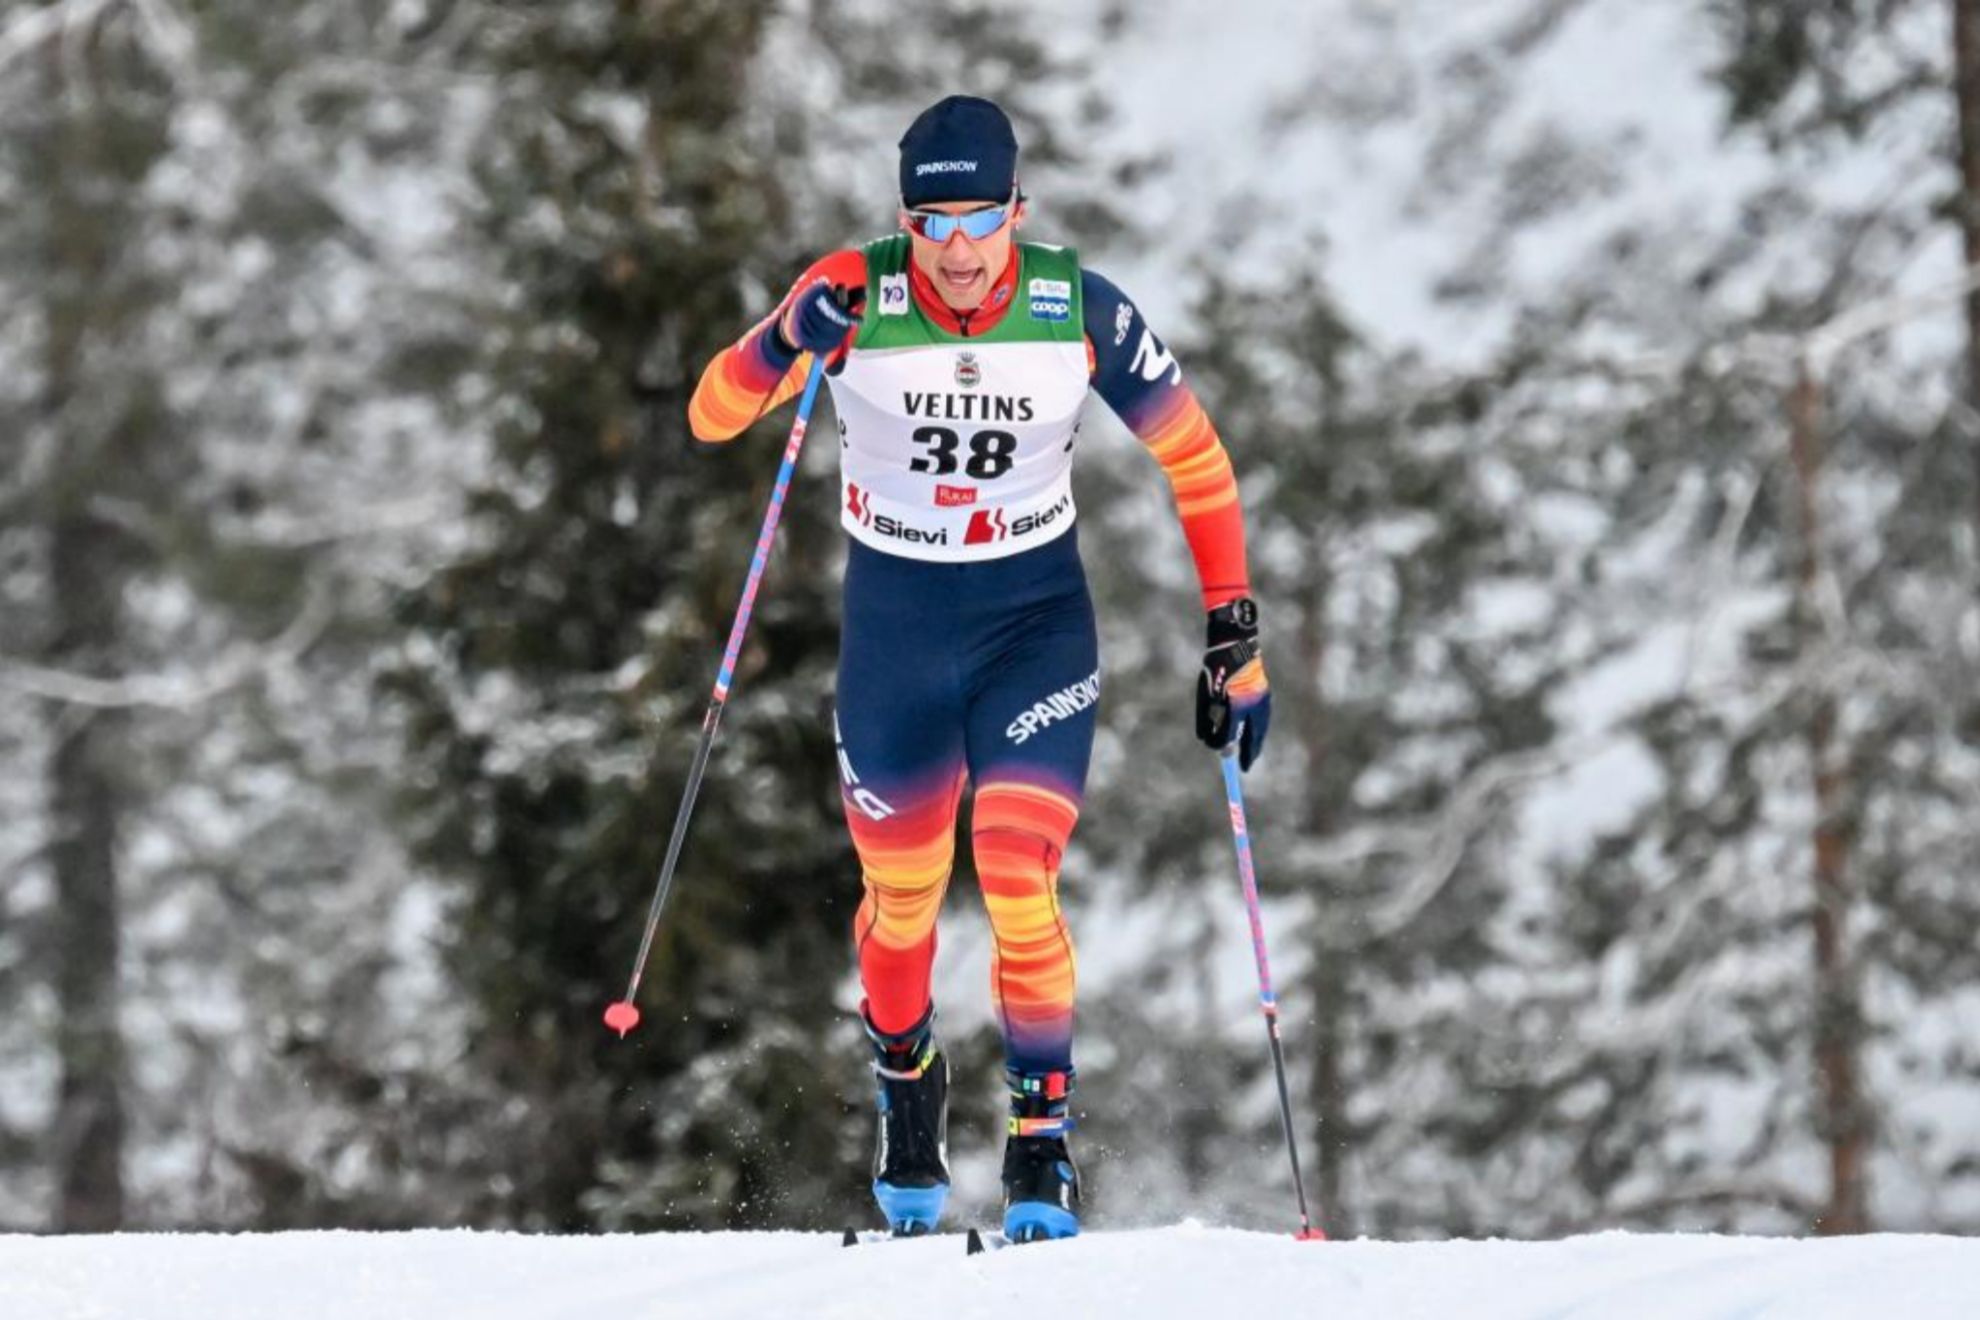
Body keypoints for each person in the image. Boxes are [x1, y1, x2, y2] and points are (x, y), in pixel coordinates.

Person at [688, 94, 1270, 1242]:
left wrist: (1233, 638)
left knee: (1015, 874)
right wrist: (781, 341)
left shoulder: (1076, 307)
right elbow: (714, 415)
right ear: (905, 218)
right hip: (898, 628)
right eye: (931, 222)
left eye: (979, 220)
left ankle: (1041, 1142)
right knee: (901, 902)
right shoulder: (854, 292)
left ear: (1018, 209)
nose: (956, 250)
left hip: (1032, 624)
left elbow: (1195, 460)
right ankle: (908, 1080)